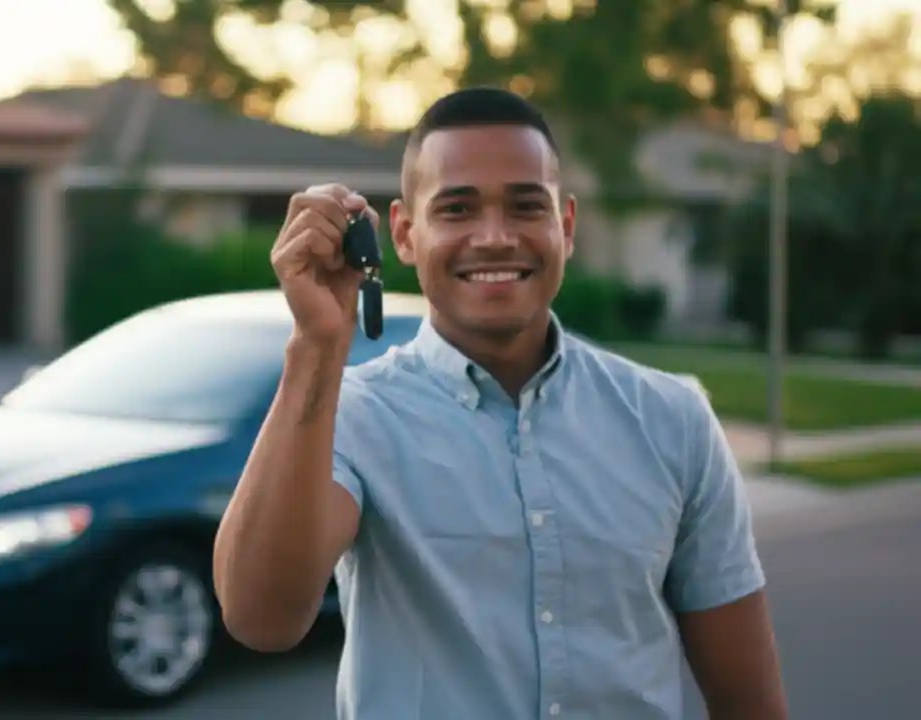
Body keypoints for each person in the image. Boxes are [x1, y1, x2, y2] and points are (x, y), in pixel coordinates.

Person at [211, 86, 787, 719]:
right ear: (403, 234)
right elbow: (260, 618)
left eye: (525, 206)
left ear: (564, 228)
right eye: (456, 209)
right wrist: (316, 345)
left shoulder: (673, 419)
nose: (494, 237)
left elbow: (750, 704)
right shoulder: (351, 417)